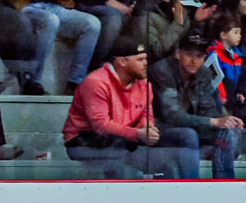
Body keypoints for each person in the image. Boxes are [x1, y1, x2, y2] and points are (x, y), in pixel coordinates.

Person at [61, 36, 202, 177]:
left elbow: (147, 115)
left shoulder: (144, 83)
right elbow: (100, 126)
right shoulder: (96, 82)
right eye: (140, 60)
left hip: (128, 136)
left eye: (146, 59)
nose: (146, 64)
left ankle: (190, 188)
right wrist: (137, 134)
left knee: (187, 135)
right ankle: (120, 193)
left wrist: (148, 128)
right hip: (87, 141)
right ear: (122, 61)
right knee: (118, 145)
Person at [150, 35, 243, 178]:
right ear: (178, 53)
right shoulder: (162, 71)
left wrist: (226, 120)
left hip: (192, 125)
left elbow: (208, 109)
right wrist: (213, 121)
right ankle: (192, 185)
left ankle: (225, 184)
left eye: (199, 56)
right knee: (189, 134)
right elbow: (171, 115)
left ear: (205, 57)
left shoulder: (203, 72)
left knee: (227, 132)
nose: (194, 61)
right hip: (159, 128)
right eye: (189, 54)